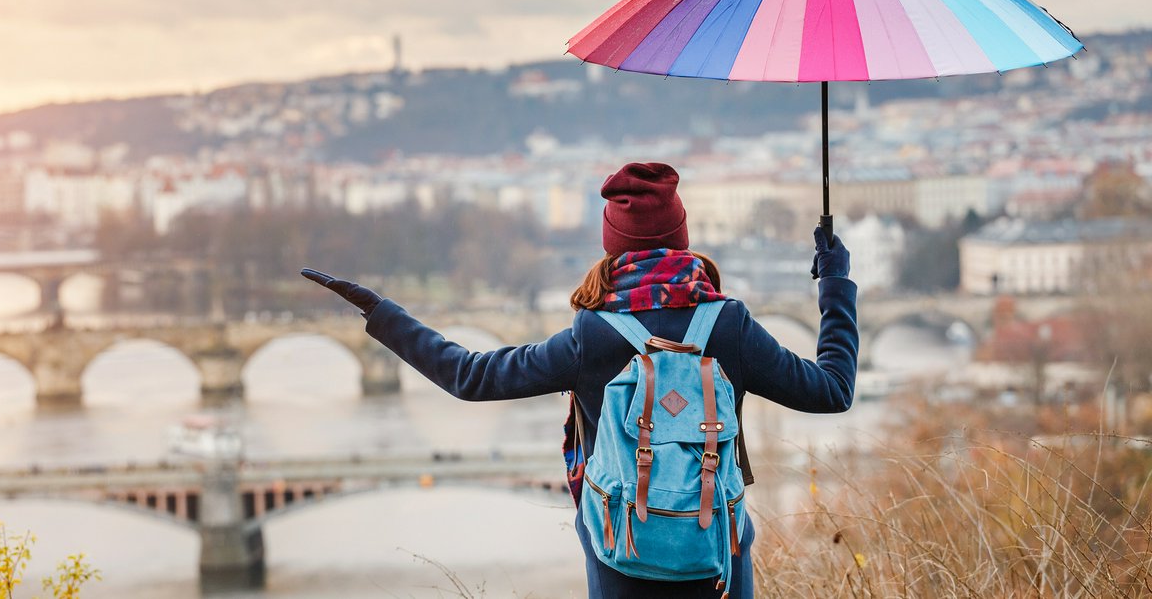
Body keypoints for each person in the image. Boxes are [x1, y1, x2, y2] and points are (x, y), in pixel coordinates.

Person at [302, 162, 858, 599]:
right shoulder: (728, 324)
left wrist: (381, 312)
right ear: (681, 236)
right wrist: (834, 283)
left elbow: (468, 376)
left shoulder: (592, 335)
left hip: (623, 556)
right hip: (717, 555)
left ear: (611, 243)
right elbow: (833, 389)